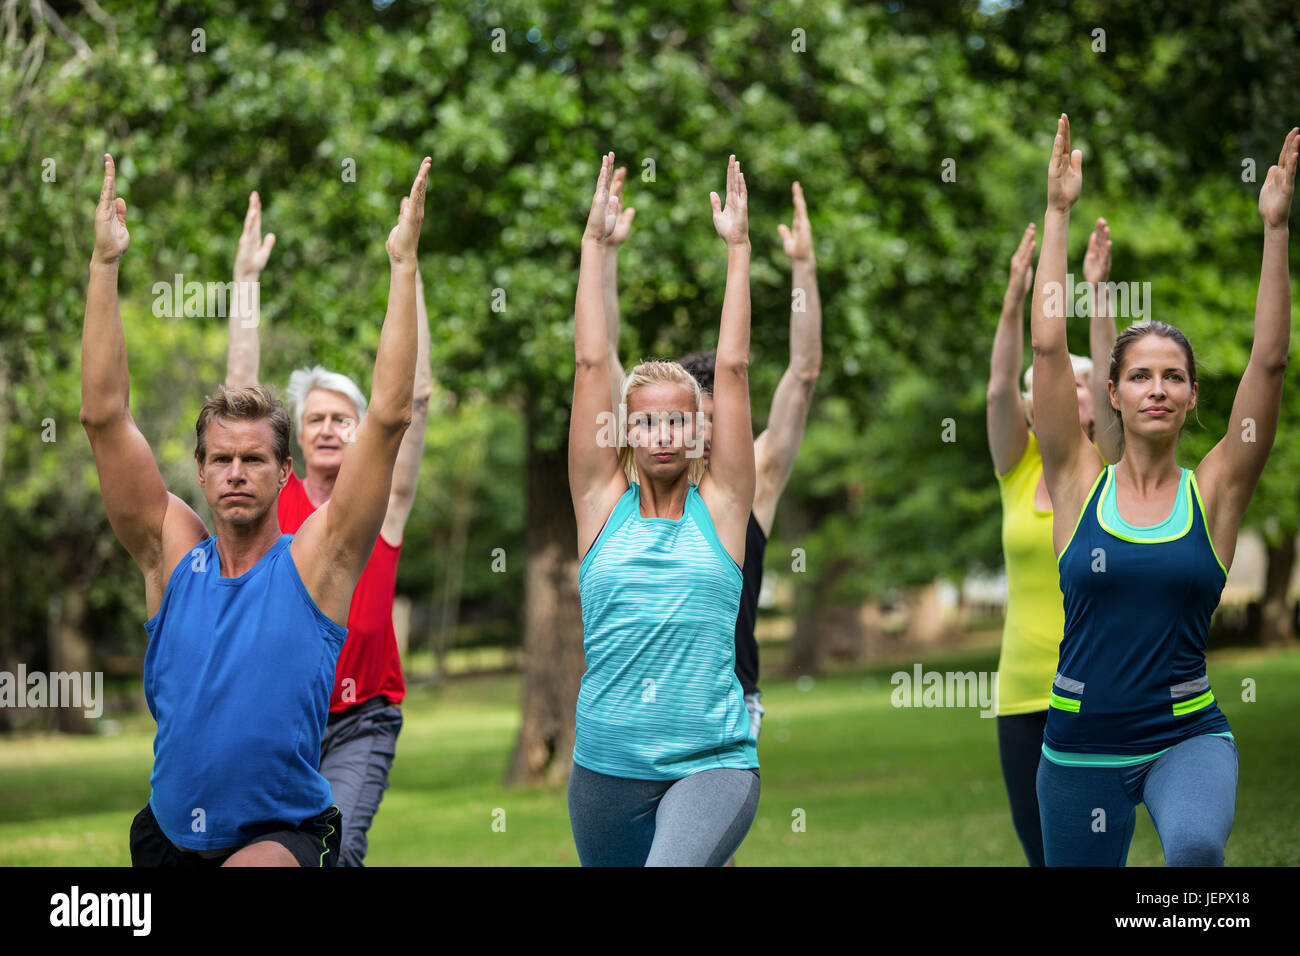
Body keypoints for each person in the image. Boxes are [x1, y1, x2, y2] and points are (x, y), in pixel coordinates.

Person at [80, 152, 430, 866]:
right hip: (170, 834)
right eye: (222, 460)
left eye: (255, 460)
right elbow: (103, 417)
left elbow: (391, 414)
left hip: (285, 835)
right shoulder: (170, 553)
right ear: (201, 474)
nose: (237, 473)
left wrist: (403, 267)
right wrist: (104, 266)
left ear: (284, 472)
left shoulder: (318, 561)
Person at [1031, 116, 1296, 866]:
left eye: (1173, 376)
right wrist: (1056, 213)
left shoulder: (1214, 491)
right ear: (1111, 393)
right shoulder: (1077, 480)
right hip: (1079, 744)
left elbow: (1270, 365)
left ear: (1189, 395)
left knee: (1197, 851)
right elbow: (1049, 346)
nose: (1157, 388)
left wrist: (1275, 229)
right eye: (1140, 375)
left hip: (1185, 737)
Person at [224, 190, 434, 867]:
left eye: (345, 417)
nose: (329, 427)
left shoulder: (381, 505)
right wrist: (246, 284)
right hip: (279, 718)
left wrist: (408, 267)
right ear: (294, 439)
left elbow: (415, 398)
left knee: (337, 853)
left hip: (359, 720)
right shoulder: (274, 503)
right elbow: (239, 392)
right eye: (314, 417)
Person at [566, 152, 760, 866]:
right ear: (624, 432)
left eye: (679, 420)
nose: (663, 433)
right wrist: (595, 249)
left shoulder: (724, 508)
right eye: (646, 421)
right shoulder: (599, 505)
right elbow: (592, 362)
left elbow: (733, 368)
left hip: (711, 760)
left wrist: (738, 251)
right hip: (604, 769)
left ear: (700, 429)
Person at [599, 168, 823, 750]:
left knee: (706, 841)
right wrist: (603, 256)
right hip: (631, 702)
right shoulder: (636, 476)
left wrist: (803, 268)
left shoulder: (750, 487)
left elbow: (802, 377)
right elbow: (604, 364)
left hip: (727, 702)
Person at [986, 216, 1123, 866]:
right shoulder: (1016, 466)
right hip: (1021, 690)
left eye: (1078, 384)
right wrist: (1014, 303)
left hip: (1098, 684)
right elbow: (996, 387)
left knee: (1093, 848)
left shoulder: (1112, 467)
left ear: (1099, 405)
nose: (1064, 392)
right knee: (1040, 851)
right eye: (1051, 382)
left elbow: (1107, 384)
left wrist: (1096, 293)